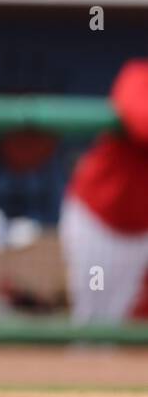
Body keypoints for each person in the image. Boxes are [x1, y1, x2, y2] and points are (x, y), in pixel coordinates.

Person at [61, 59, 148, 323]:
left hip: (141, 228)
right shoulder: (138, 74)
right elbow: (141, 120)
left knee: (123, 322)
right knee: (91, 321)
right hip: (97, 219)